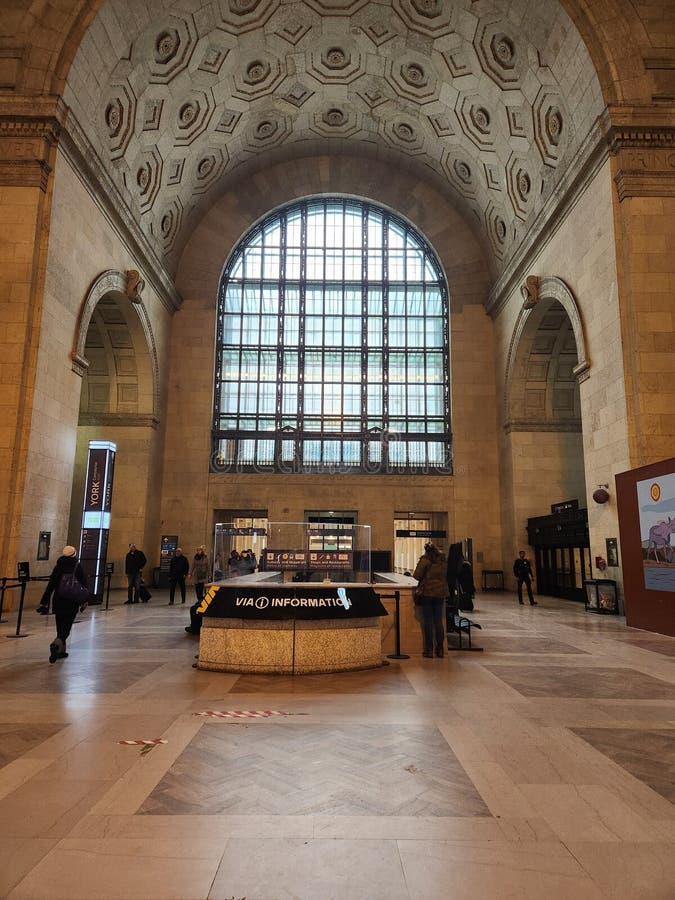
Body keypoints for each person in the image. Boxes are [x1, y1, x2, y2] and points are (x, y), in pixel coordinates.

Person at [39, 545, 89, 663]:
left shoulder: (58, 566)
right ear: (74, 553)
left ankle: (61, 651)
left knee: (60, 624)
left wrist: (44, 601)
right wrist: (85, 599)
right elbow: (84, 583)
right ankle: (56, 645)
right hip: (71, 601)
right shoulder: (77, 566)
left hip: (58, 599)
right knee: (66, 626)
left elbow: (51, 585)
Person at [413, 542, 448, 658]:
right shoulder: (443, 560)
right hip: (440, 594)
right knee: (438, 622)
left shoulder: (426, 560)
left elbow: (416, 575)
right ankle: (440, 649)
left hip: (427, 593)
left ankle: (429, 650)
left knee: (428, 621)